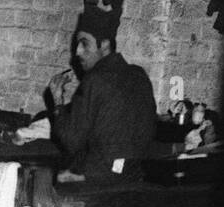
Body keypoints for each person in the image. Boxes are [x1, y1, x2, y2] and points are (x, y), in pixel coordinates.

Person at [46, 3, 156, 180]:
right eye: (77, 45)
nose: (77, 52)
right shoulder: (139, 75)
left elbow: (71, 141)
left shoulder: (95, 79)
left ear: (104, 45)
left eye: (84, 44)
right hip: (136, 175)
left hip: (99, 178)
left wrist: (58, 100)